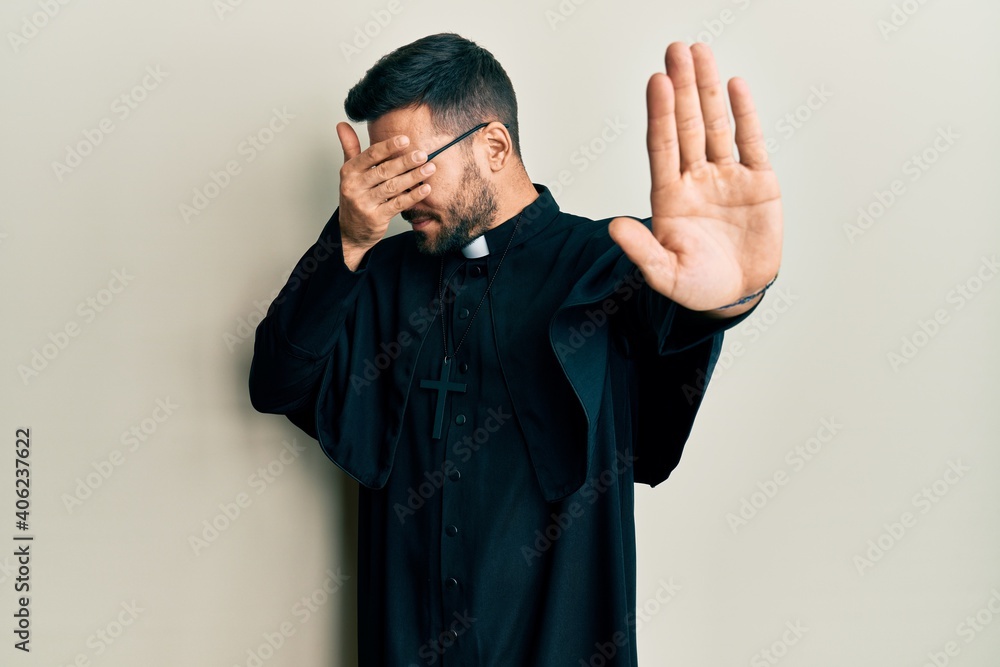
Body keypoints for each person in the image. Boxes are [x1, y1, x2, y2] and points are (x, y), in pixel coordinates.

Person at [248, 32, 782, 667]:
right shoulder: (376, 272)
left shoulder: (606, 261)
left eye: (412, 169)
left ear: (494, 146)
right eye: (380, 173)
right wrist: (347, 240)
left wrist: (731, 296)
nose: (397, 198)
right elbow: (275, 382)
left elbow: (678, 327)